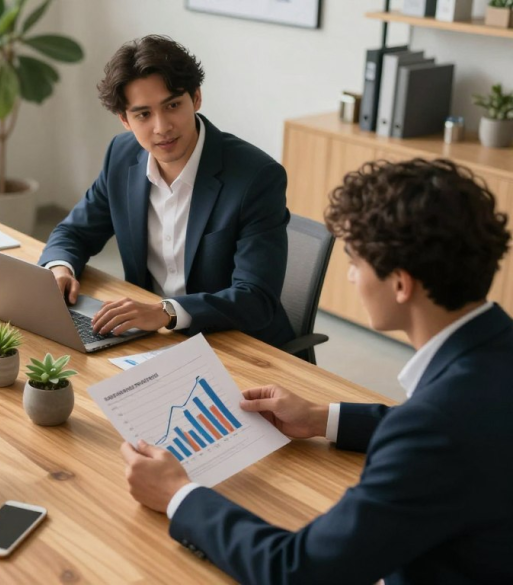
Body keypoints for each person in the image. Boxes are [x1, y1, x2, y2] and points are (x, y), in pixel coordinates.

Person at [120, 159, 513, 584]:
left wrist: (179, 495)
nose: (349, 276)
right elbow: (460, 428)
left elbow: (298, 570)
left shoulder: (435, 427)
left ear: (400, 284)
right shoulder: (493, 352)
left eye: (356, 262)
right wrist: (322, 418)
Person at [39, 35, 293, 348]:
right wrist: (59, 268)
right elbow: (74, 232)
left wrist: (165, 312)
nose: (162, 127)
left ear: (196, 98)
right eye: (143, 114)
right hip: (152, 339)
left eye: (172, 105)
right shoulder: (121, 156)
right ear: (125, 120)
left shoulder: (255, 177)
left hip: (237, 342)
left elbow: (256, 298)